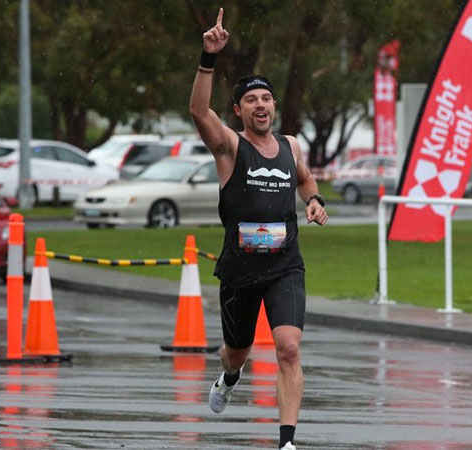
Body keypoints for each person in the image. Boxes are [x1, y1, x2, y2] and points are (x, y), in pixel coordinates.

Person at [188, 8, 328, 450]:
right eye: (251, 100)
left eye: (266, 98)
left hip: (286, 263)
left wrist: (315, 202)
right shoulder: (229, 147)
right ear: (238, 110)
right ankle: (230, 376)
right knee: (237, 351)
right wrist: (208, 57)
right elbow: (197, 109)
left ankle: (286, 442)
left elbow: (305, 179)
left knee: (288, 347)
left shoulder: (290, 146)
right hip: (239, 268)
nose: (261, 105)